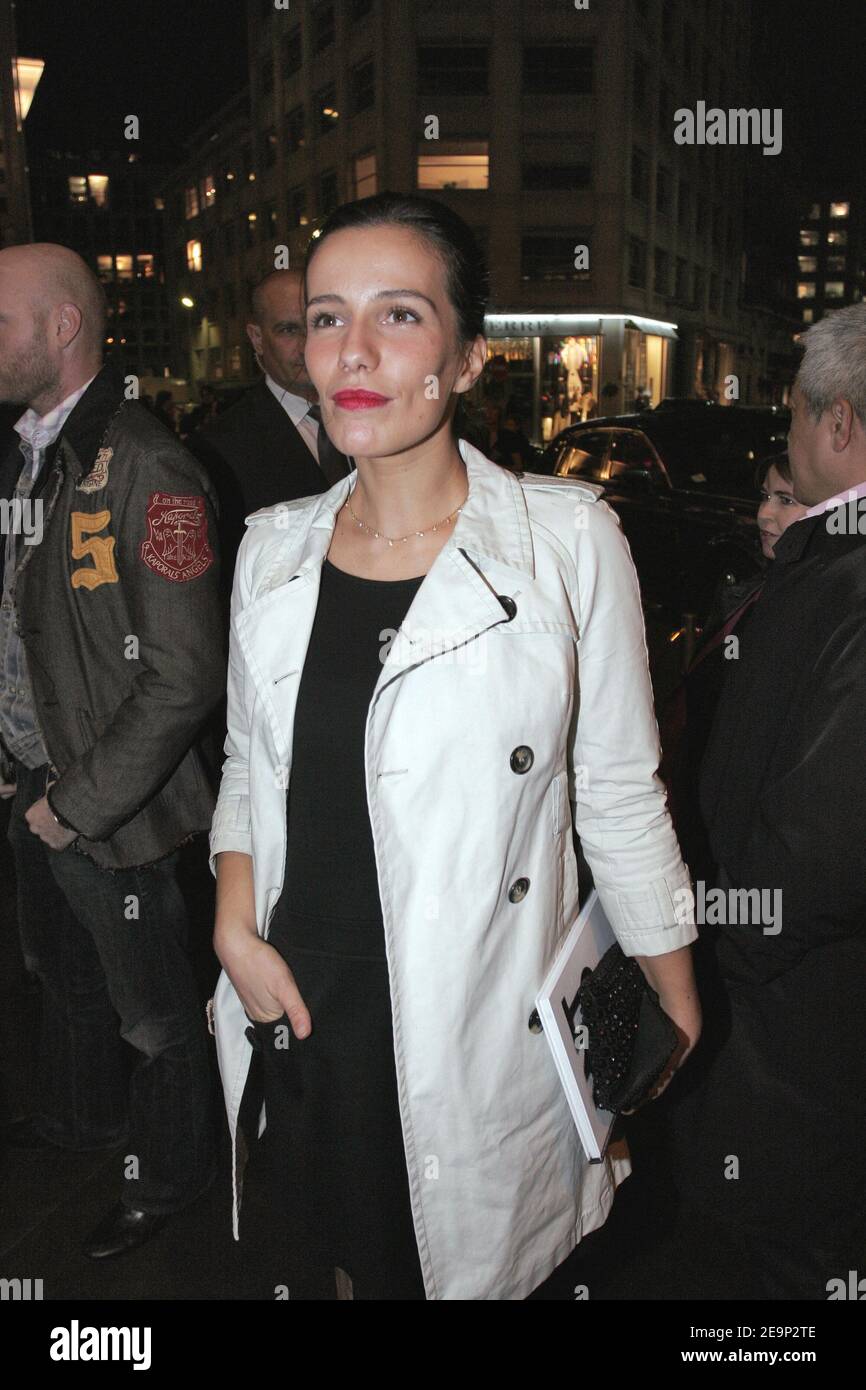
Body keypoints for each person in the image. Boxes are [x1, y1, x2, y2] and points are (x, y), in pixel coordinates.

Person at [208, 192, 701, 1301]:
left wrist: (671, 996)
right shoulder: (269, 551)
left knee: (469, 1267)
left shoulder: (565, 541)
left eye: (400, 316)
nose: (355, 352)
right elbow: (248, 766)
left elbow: (616, 788)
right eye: (327, 317)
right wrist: (231, 920)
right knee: (341, 1264)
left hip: (478, 1010)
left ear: (467, 357)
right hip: (302, 1001)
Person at [0, 243, 224, 1259]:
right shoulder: (28, 450)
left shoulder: (147, 461)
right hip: (33, 782)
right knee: (66, 978)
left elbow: (183, 673)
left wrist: (76, 803)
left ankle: (171, 1179)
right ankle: (83, 1128)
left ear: (61, 327)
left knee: (155, 1015)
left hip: (107, 804)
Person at [665, 304, 866, 1299]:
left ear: (835, 427)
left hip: (802, 1035)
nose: (782, 439)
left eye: (790, 415)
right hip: (798, 1019)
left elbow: (819, 849)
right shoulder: (827, 563)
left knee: (801, 1266)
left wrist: (706, 959)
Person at [659, 451, 808, 885]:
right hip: (698, 834)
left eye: (786, 500)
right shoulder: (750, 595)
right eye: (764, 496)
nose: (764, 514)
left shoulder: (816, 614)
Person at [187, 268, 351, 588]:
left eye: (321, 324)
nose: (308, 345)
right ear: (257, 339)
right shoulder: (215, 451)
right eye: (289, 329)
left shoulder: (382, 421)